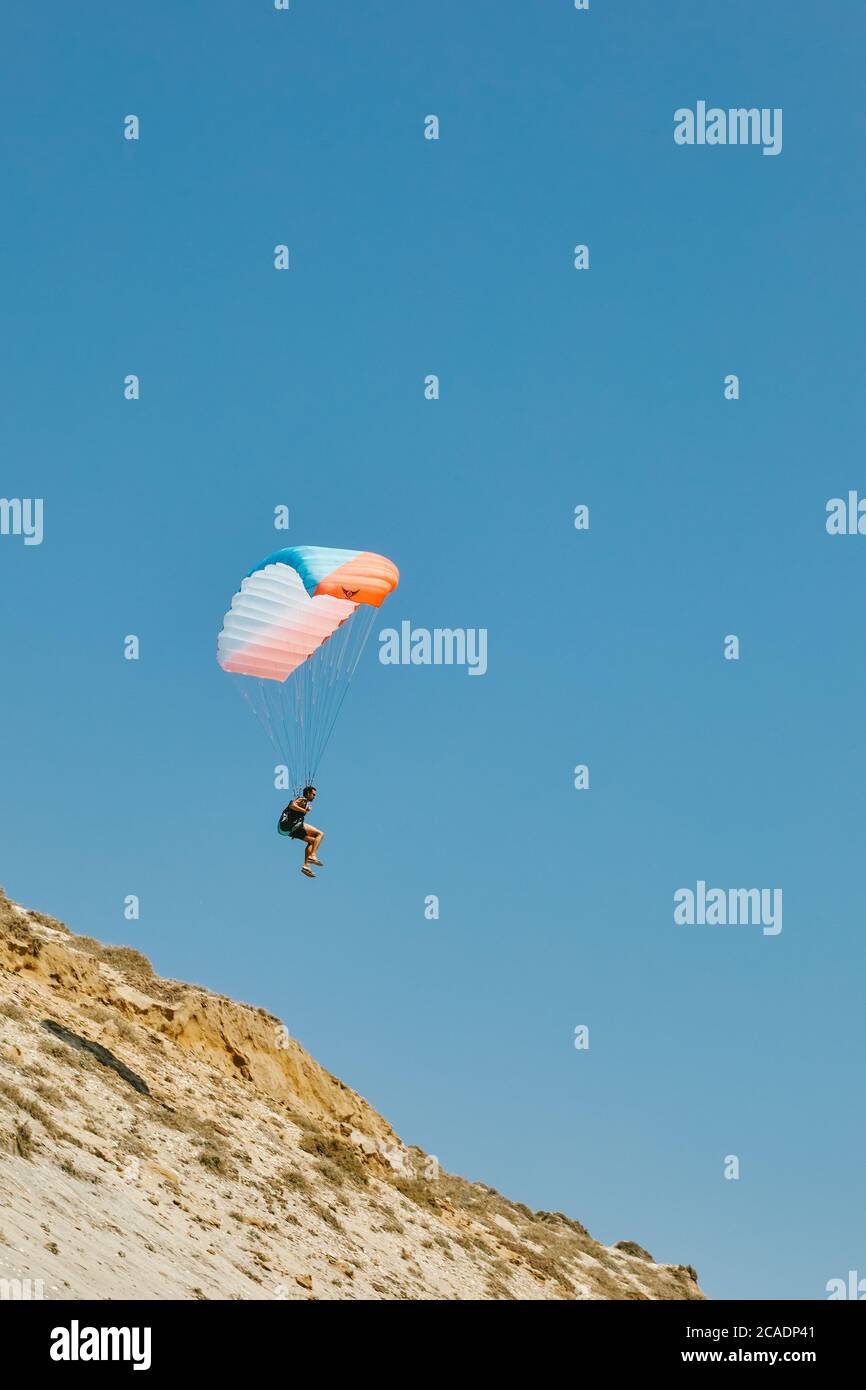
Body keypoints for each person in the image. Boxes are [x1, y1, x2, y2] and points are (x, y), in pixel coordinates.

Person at [278, 786, 324, 878]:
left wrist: (304, 810)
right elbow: (291, 805)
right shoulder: (302, 799)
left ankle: (306, 866)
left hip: (288, 830)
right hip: (290, 826)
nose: (314, 797)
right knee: (320, 834)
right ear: (308, 793)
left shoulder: (304, 802)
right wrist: (304, 810)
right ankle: (313, 855)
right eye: (313, 794)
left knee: (312, 841)